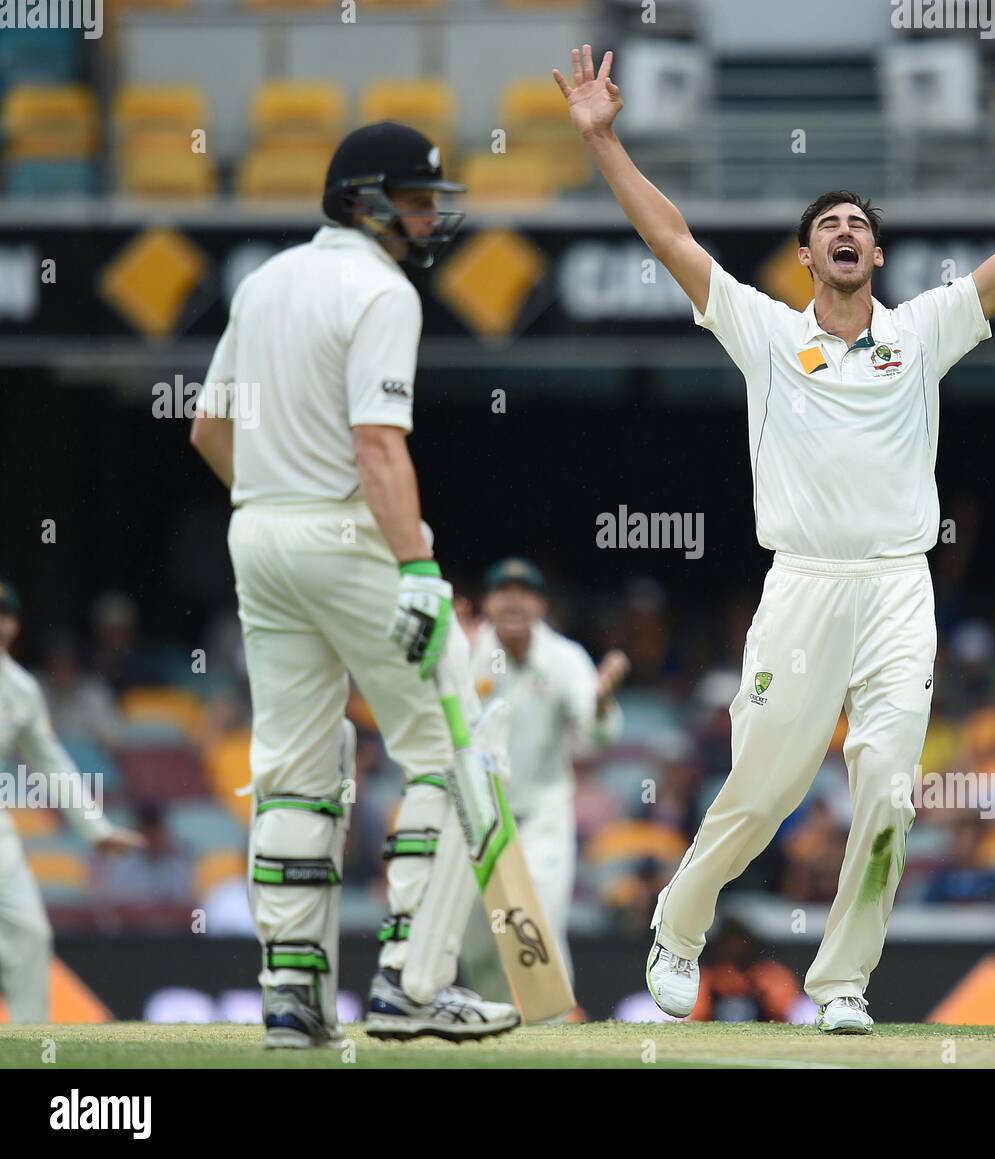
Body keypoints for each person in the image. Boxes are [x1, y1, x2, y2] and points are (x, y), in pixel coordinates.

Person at [554, 44, 995, 1032]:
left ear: (876, 257)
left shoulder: (919, 332)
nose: (844, 232)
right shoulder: (761, 330)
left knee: (887, 789)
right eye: (828, 224)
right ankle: (679, 919)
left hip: (894, 588)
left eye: (858, 226)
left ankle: (840, 984)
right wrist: (602, 138)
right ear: (805, 257)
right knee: (765, 787)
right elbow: (668, 236)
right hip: (800, 586)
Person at [190, 121, 518, 1048]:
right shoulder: (380, 291)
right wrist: (415, 564)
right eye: (415, 200)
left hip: (256, 533)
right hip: (347, 533)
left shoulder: (262, 283)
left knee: (294, 767)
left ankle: (293, 998)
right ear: (364, 202)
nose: (427, 217)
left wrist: (277, 504)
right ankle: (413, 982)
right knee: (454, 744)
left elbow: (208, 429)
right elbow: (378, 445)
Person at [462, 558, 627, 1002]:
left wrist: (602, 702)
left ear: (542, 604)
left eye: (524, 591)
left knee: (537, 921)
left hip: (542, 815)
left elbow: (598, 733)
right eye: (503, 590)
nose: (513, 599)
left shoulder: (565, 658)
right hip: (476, 817)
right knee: (478, 943)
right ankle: (497, 1031)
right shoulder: (466, 651)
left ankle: (553, 1031)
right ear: (486, 603)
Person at [0, 578, 142, 1022]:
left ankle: (26, 1049)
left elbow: (51, 762)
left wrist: (95, 829)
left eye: (5, 615)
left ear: (14, 626)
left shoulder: (20, 688)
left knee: (31, 934)